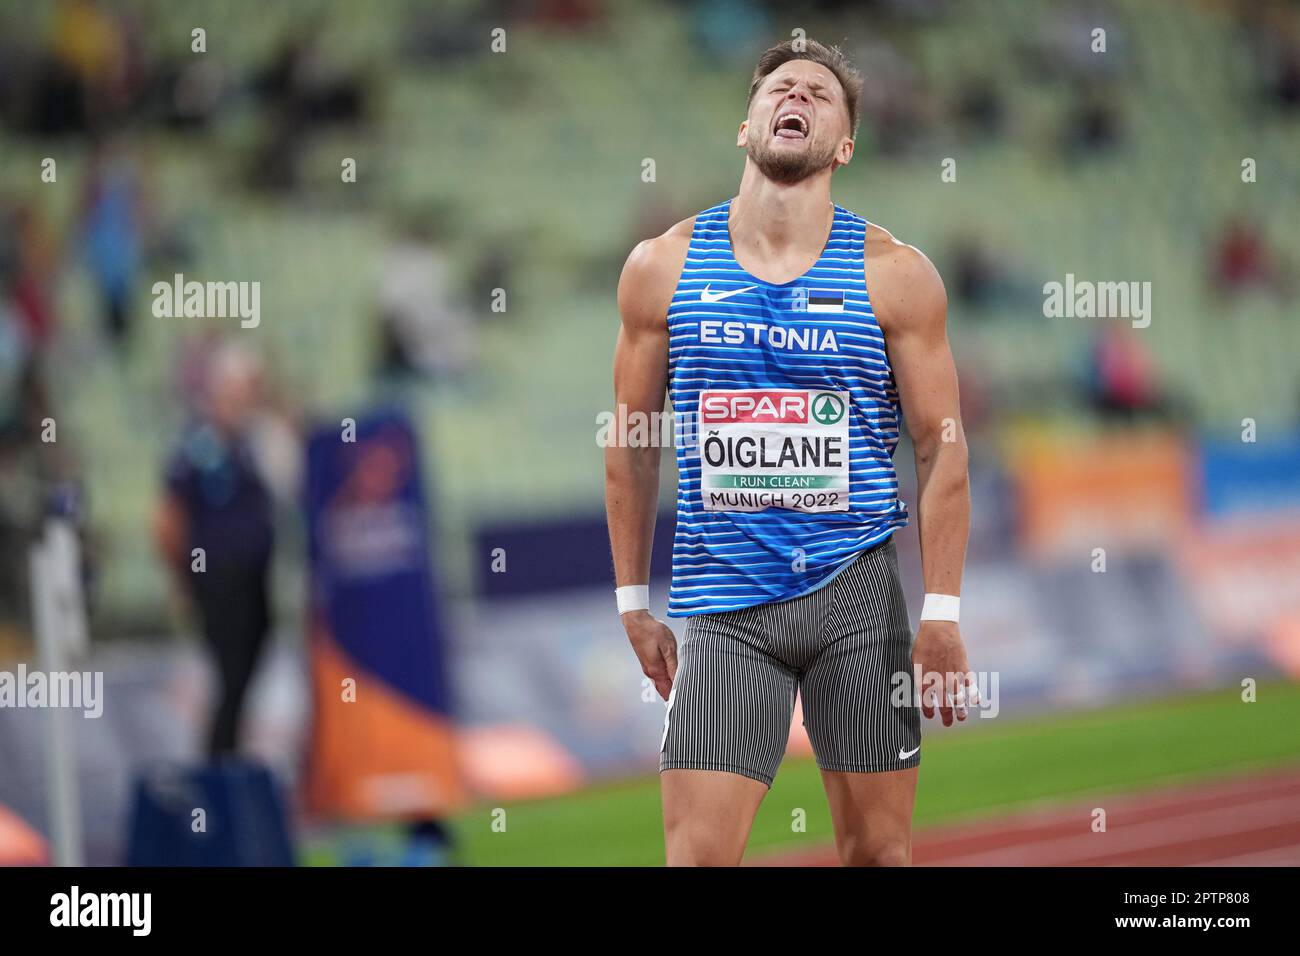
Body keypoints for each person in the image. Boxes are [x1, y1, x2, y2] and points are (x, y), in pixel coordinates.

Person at [605, 39, 974, 866]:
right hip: (725, 610)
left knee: (879, 854)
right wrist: (633, 599)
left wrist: (942, 613)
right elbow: (631, 444)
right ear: (748, 126)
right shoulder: (660, 269)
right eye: (781, 86)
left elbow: (940, 448)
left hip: (856, 598)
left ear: (843, 145)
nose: (796, 93)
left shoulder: (896, 276)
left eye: (818, 91)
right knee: (698, 860)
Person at [154, 343, 275, 757]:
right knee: (230, 672)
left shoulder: (247, 443)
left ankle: (227, 756)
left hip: (253, 580)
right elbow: (168, 522)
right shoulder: (197, 447)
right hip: (218, 583)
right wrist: (183, 580)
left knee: (245, 669)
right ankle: (219, 762)